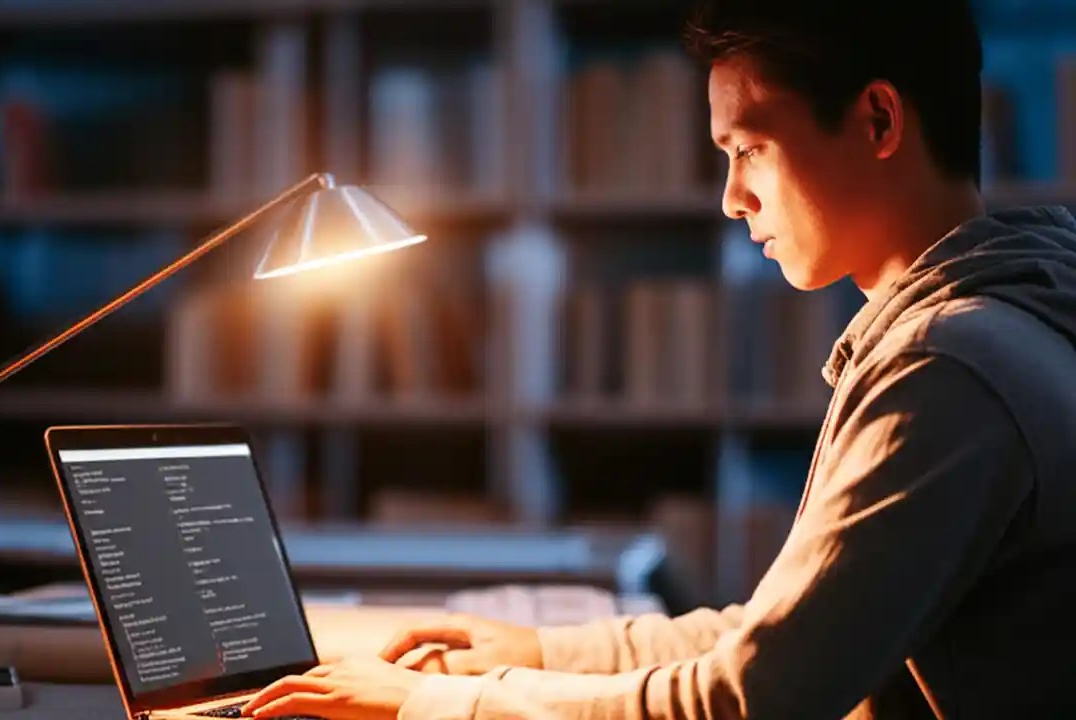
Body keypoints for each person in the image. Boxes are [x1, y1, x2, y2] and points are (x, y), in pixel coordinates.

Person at [243, 0, 1076, 717]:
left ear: (878, 121)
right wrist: (536, 650)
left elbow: (753, 698)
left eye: (748, 148)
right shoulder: (998, 323)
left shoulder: (947, 370)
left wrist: (436, 704)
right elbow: (789, 637)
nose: (730, 197)